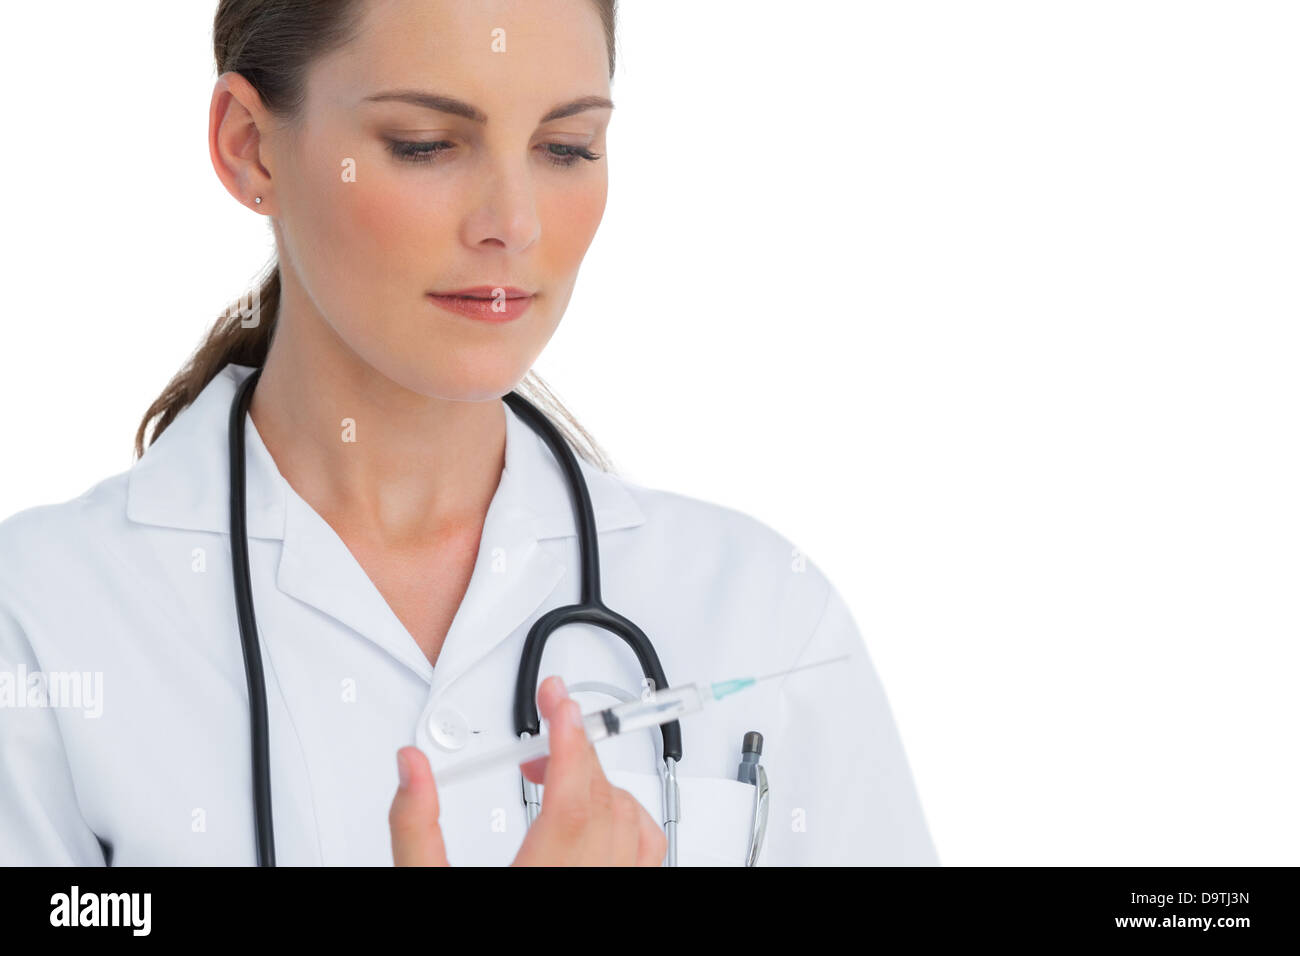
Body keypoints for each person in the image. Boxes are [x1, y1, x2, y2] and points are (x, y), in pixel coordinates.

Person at [0, 0, 938, 866]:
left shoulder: (763, 613)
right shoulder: (41, 625)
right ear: (251, 147)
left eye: (566, 147)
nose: (514, 224)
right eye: (425, 144)